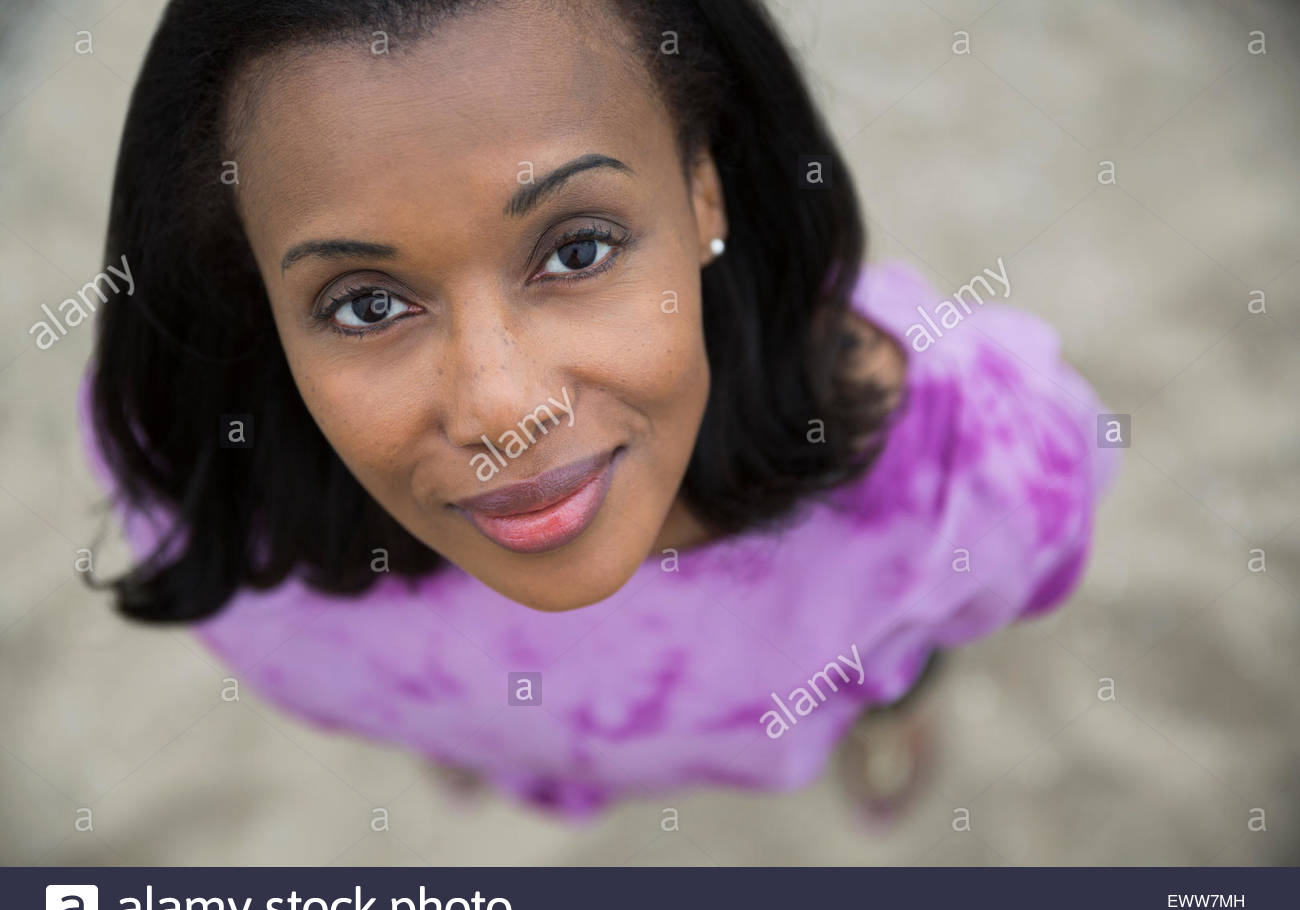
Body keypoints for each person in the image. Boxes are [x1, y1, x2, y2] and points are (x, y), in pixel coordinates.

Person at [78, 0, 1120, 818]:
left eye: (577, 250)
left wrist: (889, 690)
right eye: (365, 304)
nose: (503, 410)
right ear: (251, 299)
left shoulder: (957, 467)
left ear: (704, 188)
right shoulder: (214, 508)